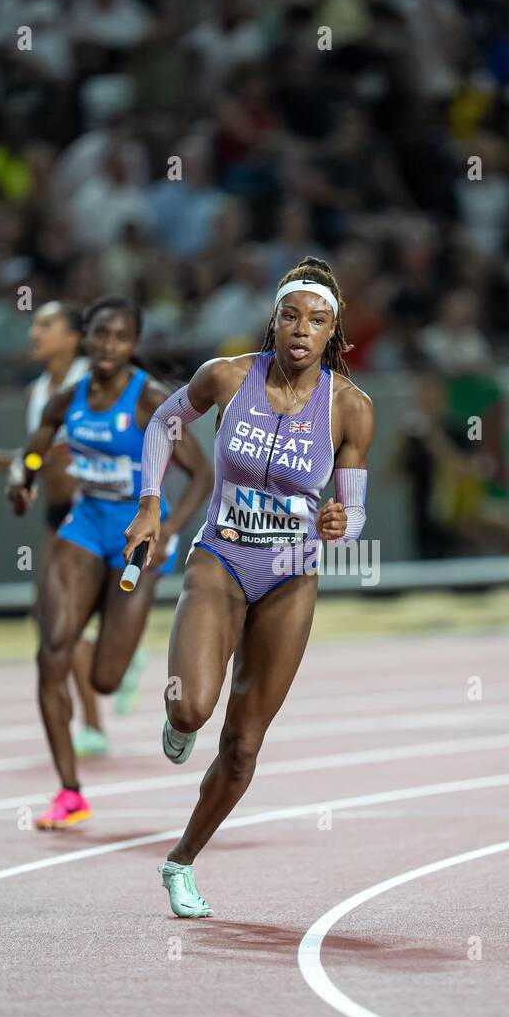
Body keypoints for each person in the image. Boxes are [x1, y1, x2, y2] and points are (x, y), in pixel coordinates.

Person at [124, 257, 374, 917]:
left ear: (332, 332)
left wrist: (339, 522)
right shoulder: (228, 376)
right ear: (275, 319)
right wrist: (150, 503)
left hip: (291, 577)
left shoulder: (351, 409)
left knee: (242, 747)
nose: (301, 329)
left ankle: (180, 862)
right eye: (291, 315)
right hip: (221, 559)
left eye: (316, 321)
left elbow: (354, 515)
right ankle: (177, 712)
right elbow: (162, 424)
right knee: (191, 712)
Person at [11, 294, 212, 828]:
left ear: (133, 345)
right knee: (51, 653)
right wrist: (24, 475)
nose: (108, 347)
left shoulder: (148, 401)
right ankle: (70, 792)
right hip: (83, 527)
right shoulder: (70, 396)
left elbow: (202, 474)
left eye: (120, 338)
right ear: (86, 338)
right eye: (100, 336)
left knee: (103, 680)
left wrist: (168, 527)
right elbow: (39, 442)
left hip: (136, 540)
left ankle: (124, 650)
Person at [0, 299, 107, 756]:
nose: (33, 334)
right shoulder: (38, 391)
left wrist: (22, 466)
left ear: (73, 336)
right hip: (57, 515)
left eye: (45, 325)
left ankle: (101, 697)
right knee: (50, 620)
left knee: (64, 622)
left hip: (97, 511)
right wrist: (6, 464)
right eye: (33, 325)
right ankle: (88, 724)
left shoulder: (94, 379)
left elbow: (71, 450)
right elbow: (39, 452)